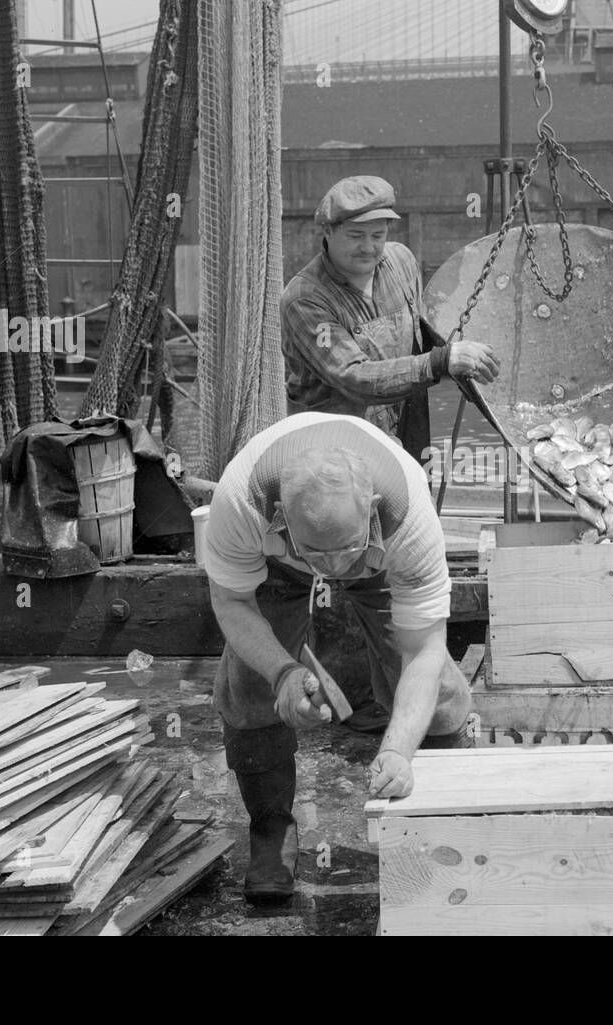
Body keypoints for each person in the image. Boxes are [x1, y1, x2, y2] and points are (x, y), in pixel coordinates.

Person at [203, 411, 475, 904]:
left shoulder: (408, 515)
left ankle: (439, 823)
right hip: (279, 562)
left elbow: (424, 648)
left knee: (437, 696)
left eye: (343, 552)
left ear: (371, 508)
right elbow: (232, 602)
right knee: (247, 685)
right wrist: (283, 674)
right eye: (320, 557)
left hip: (378, 557)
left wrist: (396, 752)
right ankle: (270, 831)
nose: (333, 571)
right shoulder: (240, 500)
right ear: (281, 515)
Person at [281, 175, 501, 464]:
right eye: (356, 236)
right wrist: (441, 361)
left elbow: (422, 337)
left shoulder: (401, 262)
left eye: (378, 236)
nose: (368, 247)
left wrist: (465, 369)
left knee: (414, 504)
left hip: (408, 430)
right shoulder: (305, 299)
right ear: (327, 231)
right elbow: (355, 377)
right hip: (335, 452)